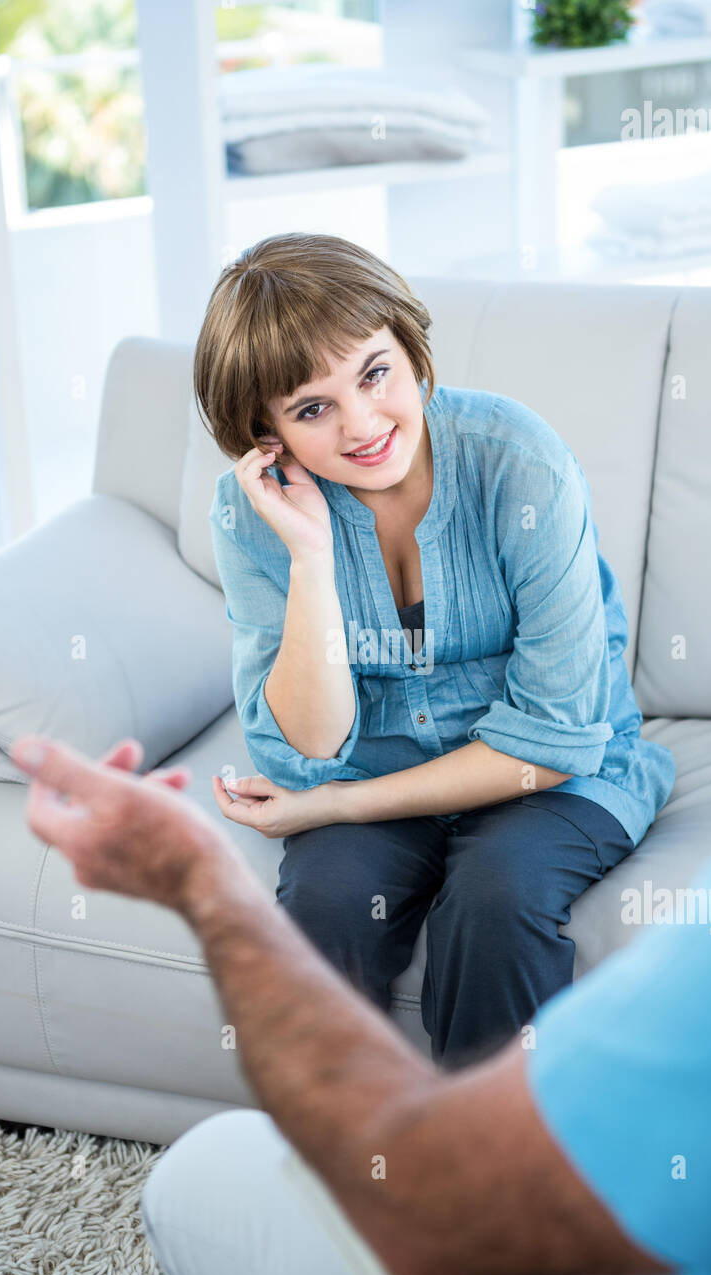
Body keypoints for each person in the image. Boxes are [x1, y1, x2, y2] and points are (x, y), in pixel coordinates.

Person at [9, 734, 711, 1275]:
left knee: (201, 1170)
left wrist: (201, 880)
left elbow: (434, 1219)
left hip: (480, 1232)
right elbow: (296, 738)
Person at [192, 231, 676, 1068]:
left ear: (410, 348)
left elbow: (554, 742)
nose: (364, 423)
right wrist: (311, 559)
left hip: (552, 778)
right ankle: (348, 1164)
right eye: (312, 409)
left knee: (497, 899)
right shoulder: (251, 516)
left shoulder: (520, 463)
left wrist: (337, 807)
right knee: (326, 905)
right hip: (376, 762)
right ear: (263, 434)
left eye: (375, 373)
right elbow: (307, 750)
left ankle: (487, 1181)